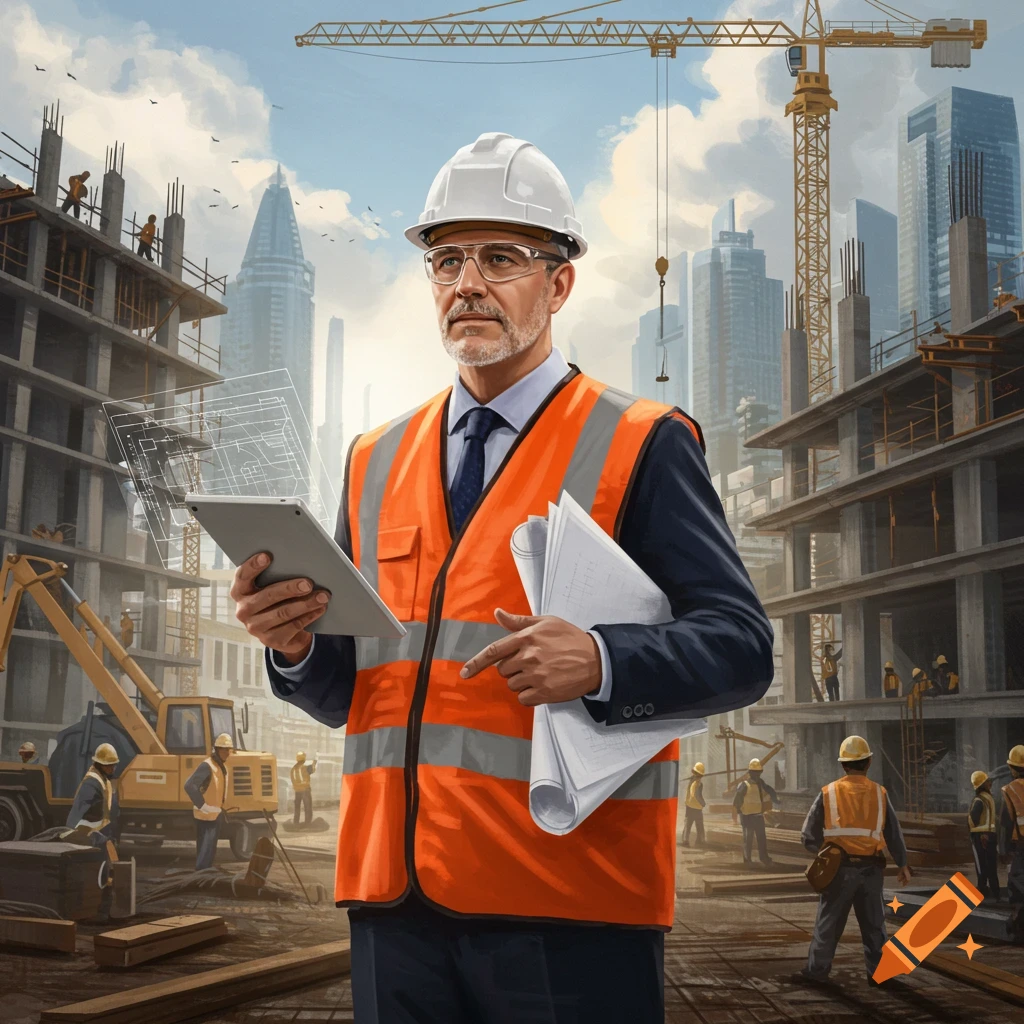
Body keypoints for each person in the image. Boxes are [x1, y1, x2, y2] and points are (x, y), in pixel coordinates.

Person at [235, 132, 775, 1022]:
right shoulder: (373, 460)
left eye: (501, 258)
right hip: (391, 901)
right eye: (446, 261)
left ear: (559, 283)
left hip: (569, 904)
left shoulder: (641, 441)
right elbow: (356, 696)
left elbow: (743, 650)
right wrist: (294, 648)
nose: (466, 285)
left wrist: (602, 660)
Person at [799, 735, 912, 985]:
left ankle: (817, 972)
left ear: (843, 765)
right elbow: (894, 833)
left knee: (828, 924)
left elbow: (807, 836)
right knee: (874, 926)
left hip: (838, 871)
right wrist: (903, 864)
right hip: (871, 871)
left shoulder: (828, 793)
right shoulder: (880, 793)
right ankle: (879, 974)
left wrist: (826, 854)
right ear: (869, 762)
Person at [184, 732, 234, 870]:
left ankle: (203, 876)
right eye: (226, 750)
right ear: (218, 749)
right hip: (205, 816)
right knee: (205, 853)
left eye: (230, 750)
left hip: (215, 815)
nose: (229, 753)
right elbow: (189, 786)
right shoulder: (207, 766)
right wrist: (203, 806)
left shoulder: (220, 767)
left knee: (209, 851)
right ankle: (201, 878)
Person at [66, 742, 120, 842]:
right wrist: (70, 834)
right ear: (99, 765)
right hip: (90, 838)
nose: (112, 769)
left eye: (113, 765)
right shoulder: (91, 784)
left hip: (101, 836)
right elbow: (78, 811)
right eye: (108, 765)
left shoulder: (105, 782)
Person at [733, 758, 777, 868]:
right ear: (750, 773)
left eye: (759, 773)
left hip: (758, 815)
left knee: (761, 837)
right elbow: (736, 801)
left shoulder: (760, 783)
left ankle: (764, 857)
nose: (757, 775)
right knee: (748, 838)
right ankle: (747, 859)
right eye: (755, 773)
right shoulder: (744, 785)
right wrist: (739, 813)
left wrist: (774, 798)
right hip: (747, 816)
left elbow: (767, 790)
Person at [1000, 744, 1024, 929]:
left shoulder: (1010, 789)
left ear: (1012, 768)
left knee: (1017, 880)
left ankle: (1017, 922)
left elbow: (1007, 822)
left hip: (1022, 844)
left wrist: (1003, 848)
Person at [968, 770, 1000, 900]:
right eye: (988, 781)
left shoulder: (979, 800)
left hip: (980, 836)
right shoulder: (989, 799)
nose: (990, 783)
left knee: (981, 865)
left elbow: (973, 819)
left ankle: (982, 891)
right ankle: (995, 891)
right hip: (991, 835)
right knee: (991, 864)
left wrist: (978, 833)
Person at [681, 761, 706, 848]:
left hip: (689, 806)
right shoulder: (698, 783)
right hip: (696, 808)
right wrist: (703, 803)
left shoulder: (691, 781)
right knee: (699, 824)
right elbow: (696, 795)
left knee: (688, 824)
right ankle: (701, 839)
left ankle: (685, 840)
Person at [290, 751, 317, 826]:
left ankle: (296, 822)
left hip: (297, 791)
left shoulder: (293, 769)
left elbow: (293, 780)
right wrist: (314, 763)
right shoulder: (305, 768)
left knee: (297, 808)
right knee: (308, 807)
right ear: (304, 759)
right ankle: (307, 823)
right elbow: (313, 769)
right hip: (305, 790)